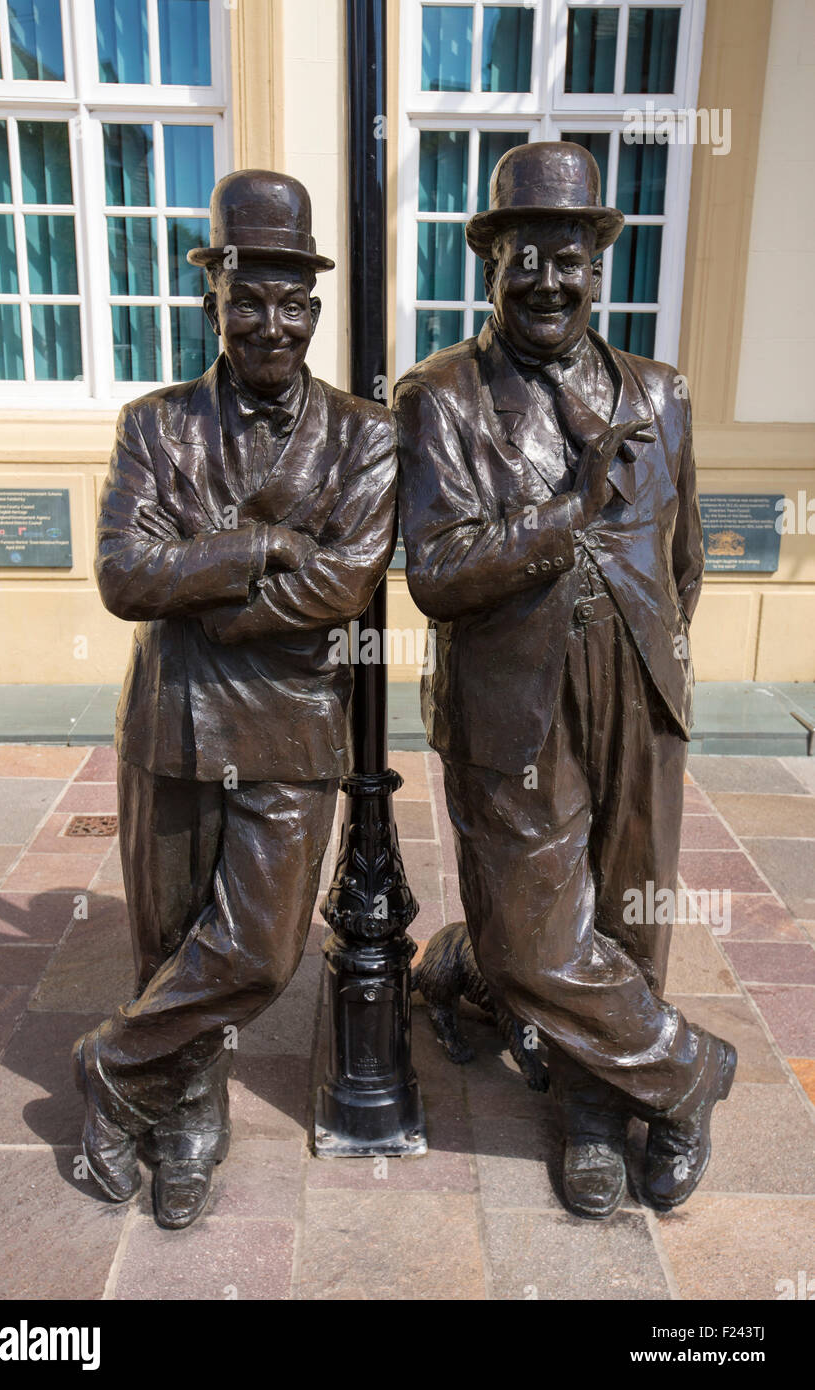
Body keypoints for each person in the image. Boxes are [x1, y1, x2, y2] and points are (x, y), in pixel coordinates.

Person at [394, 142, 736, 1219]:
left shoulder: (661, 391)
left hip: (636, 682)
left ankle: (595, 1107)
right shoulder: (439, 397)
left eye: (569, 256)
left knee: (629, 909)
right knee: (532, 934)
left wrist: (640, 654)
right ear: (487, 265)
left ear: (598, 264)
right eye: (522, 257)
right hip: (511, 700)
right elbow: (439, 573)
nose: (547, 279)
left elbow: (680, 560)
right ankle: (687, 1070)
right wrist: (566, 510)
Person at [73, 170, 396, 1229]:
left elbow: (345, 581)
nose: (272, 322)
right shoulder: (153, 426)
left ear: (314, 307)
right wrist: (256, 546)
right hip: (170, 723)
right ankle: (185, 1106)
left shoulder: (362, 434)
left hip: (294, 728)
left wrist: (205, 593)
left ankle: (112, 1063)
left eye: (293, 301)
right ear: (213, 295)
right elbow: (125, 576)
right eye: (249, 296)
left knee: (258, 946)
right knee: (169, 938)